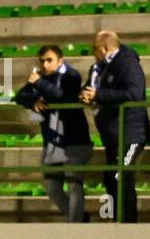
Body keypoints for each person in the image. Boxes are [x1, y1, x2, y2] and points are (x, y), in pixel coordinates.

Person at [14, 45, 92, 222]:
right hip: (51, 141)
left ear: (60, 61)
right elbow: (20, 96)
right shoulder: (40, 77)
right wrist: (34, 101)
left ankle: (75, 225)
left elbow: (64, 96)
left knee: (74, 183)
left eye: (49, 60)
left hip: (74, 140)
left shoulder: (71, 75)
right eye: (42, 61)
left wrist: (39, 83)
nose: (45, 64)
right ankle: (81, 217)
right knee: (51, 186)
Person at [81, 30, 150, 223]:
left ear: (103, 48)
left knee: (121, 176)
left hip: (130, 134)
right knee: (112, 177)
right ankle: (116, 220)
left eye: (94, 49)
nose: (93, 53)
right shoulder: (100, 68)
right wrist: (85, 94)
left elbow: (134, 93)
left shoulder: (127, 63)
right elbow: (93, 87)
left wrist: (99, 95)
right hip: (114, 135)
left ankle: (128, 223)